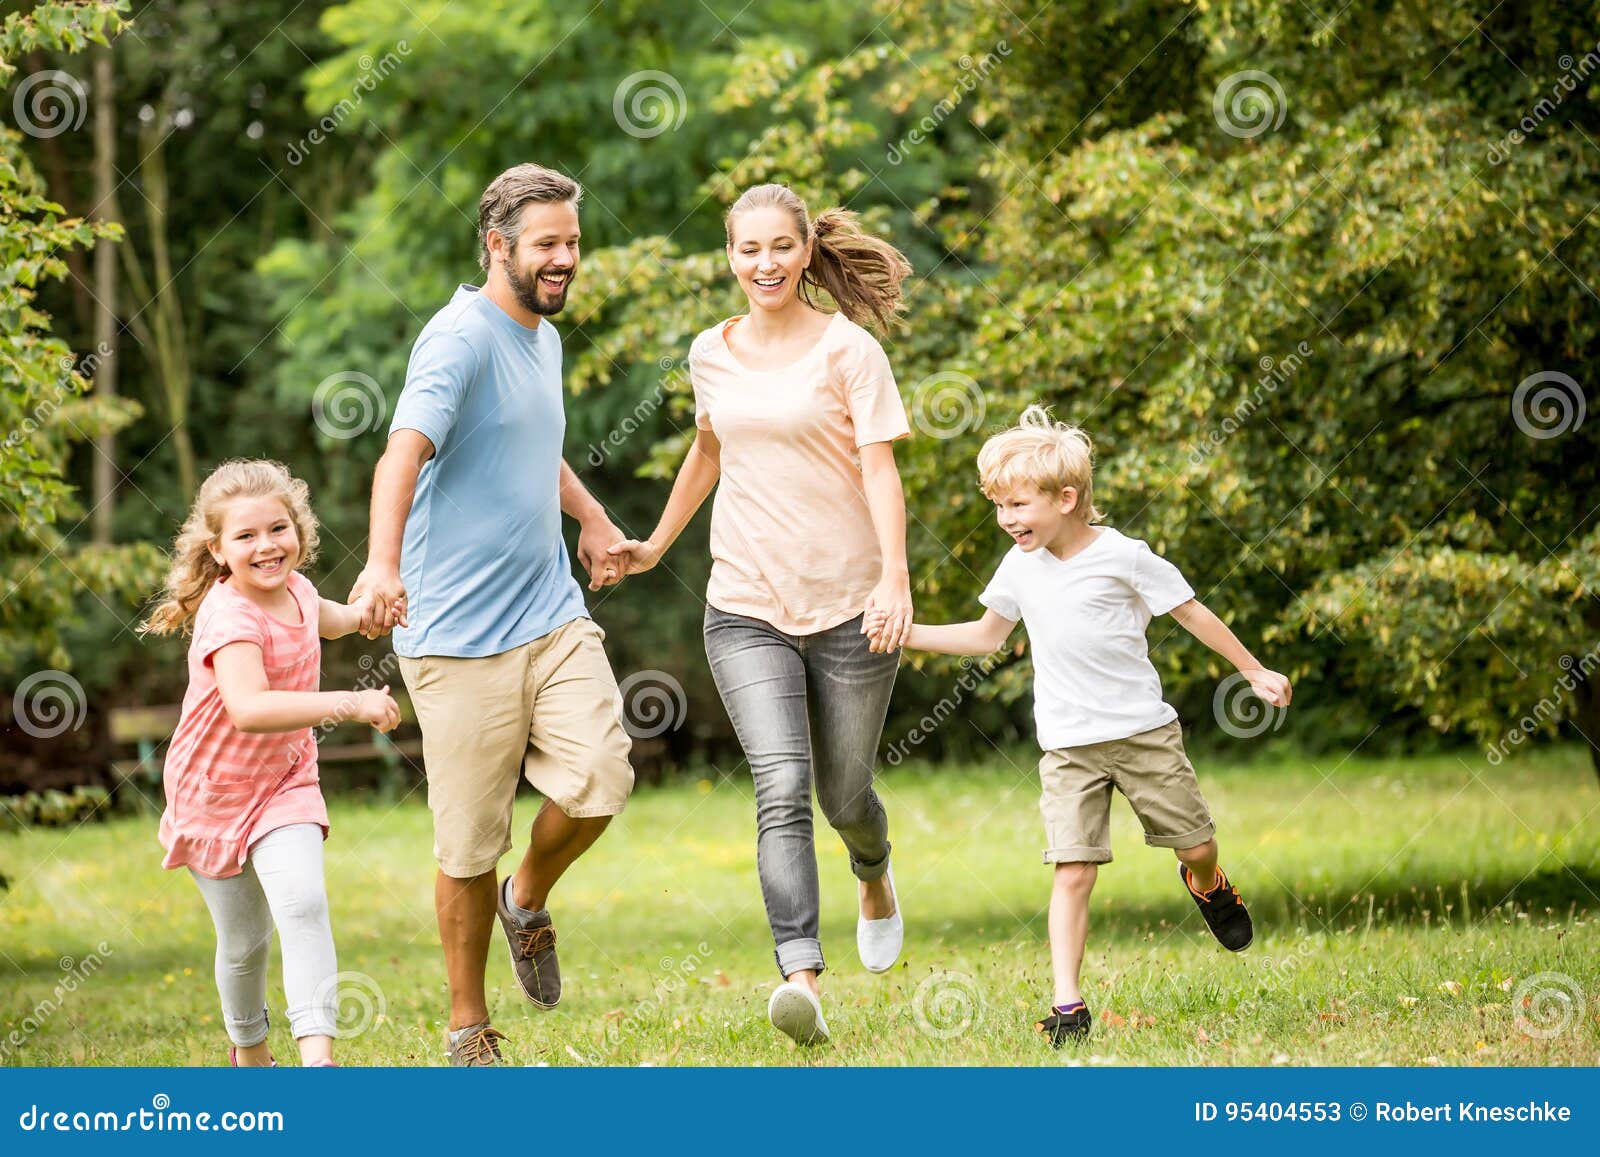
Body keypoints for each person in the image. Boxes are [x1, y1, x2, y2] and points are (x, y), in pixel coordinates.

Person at [876, 405, 1292, 1046]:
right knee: (1071, 869)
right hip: (1068, 748)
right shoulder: (1019, 567)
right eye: (999, 507)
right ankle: (1068, 1005)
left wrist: (1254, 670)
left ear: (1066, 498)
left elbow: (1191, 613)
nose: (1007, 520)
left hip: (1143, 734)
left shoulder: (1125, 557)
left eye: (1018, 505)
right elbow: (987, 635)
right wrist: (908, 634)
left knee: (1197, 847)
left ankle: (1207, 885)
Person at [609, 183, 914, 1046]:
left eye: (780, 247)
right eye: (748, 250)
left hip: (853, 605)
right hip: (745, 604)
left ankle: (873, 867)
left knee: (843, 792)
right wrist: (659, 542)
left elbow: (881, 469)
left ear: (806, 249)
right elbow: (709, 446)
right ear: (730, 255)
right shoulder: (712, 350)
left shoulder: (849, 351)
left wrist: (895, 577)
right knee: (780, 786)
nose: (764, 264)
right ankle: (803, 977)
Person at [349, 163, 635, 1066]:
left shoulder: (542, 338)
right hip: (455, 638)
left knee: (601, 776)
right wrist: (382, 565)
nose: (564, 260)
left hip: (548, 612)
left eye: (572, 243)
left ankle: (529, 897)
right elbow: (402, 456)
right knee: (466, 842)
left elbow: (530, 449)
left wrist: (589, 517)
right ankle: (468, 1024)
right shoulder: (457, 340)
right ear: (497, 246)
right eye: (547, 245)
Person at [141, 459, 401, 1068]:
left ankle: (319, 1064)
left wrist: (375, 608)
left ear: (300, 533)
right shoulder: (229, 616)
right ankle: (251, 1056)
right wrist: (351, 702)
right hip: (213, 794)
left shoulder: (300, 592)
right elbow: (251, 707)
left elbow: (332, 620)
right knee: (244, 944)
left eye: (279, 529)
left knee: (304, 903)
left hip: (285, 784)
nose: (267, 546)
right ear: (219, 550)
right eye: (247, 536)